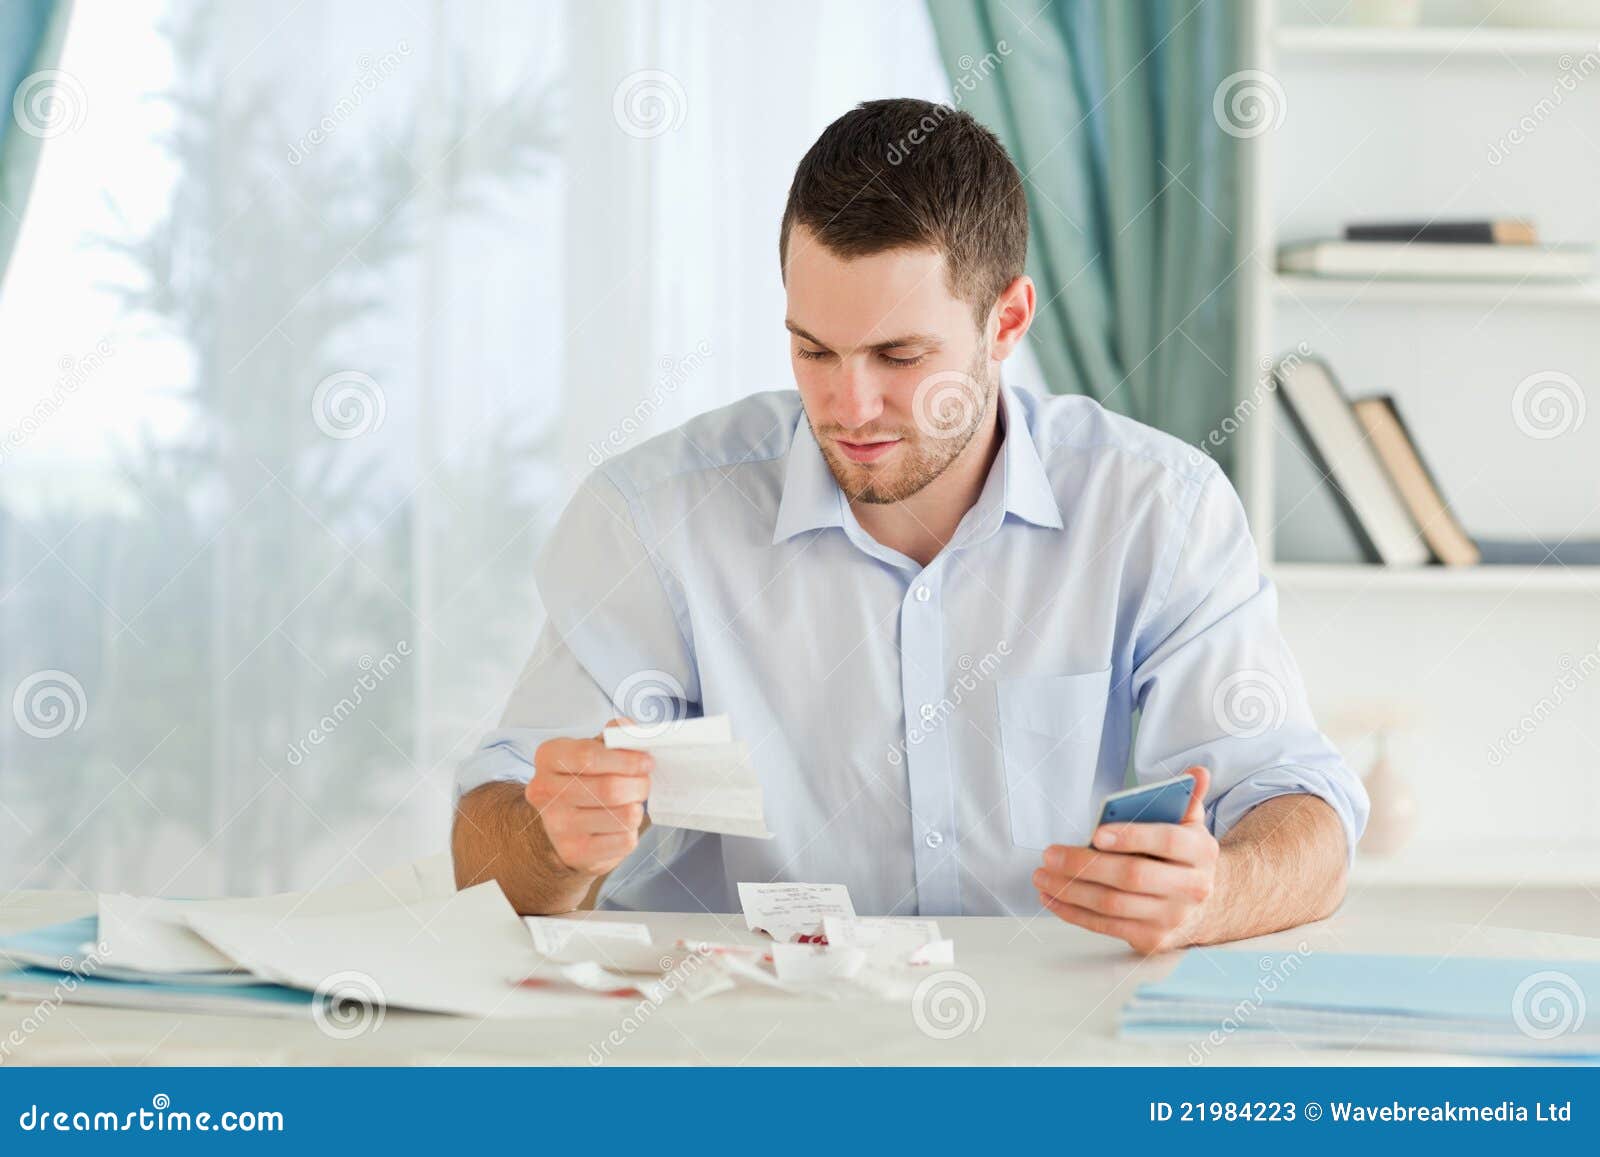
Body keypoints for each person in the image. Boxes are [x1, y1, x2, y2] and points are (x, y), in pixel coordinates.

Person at [452, 98, 1367, 955]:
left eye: (899, 355)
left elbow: (1300, 803)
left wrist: (1218, 890)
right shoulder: (657, 518)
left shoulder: (1157, 508)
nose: (850, 406)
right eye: (814, 350)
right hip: (735, 1051)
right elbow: (486, 850)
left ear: (1005, 320)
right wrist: (554, 838)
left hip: (1041, 1054)